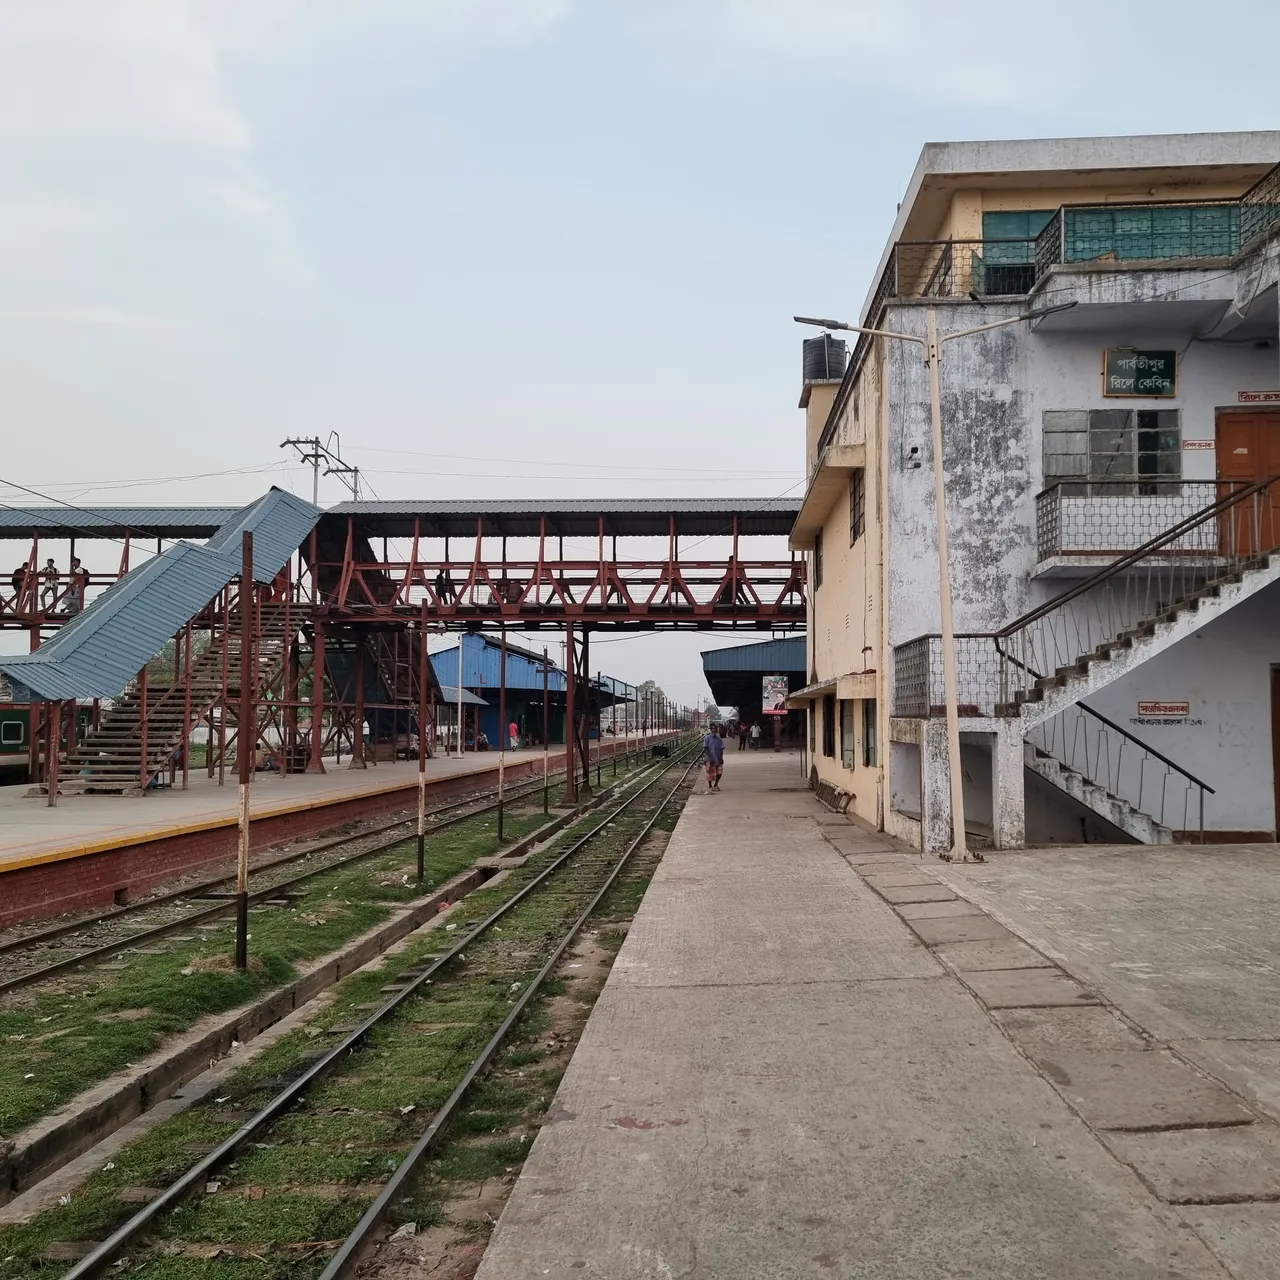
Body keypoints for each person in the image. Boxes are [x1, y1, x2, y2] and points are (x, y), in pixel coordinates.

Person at [702, 722, 725, 792]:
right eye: (712, 728)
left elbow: (721, 748)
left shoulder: (719, 738)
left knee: (719, 772)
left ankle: (716, 784)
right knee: (710, 773)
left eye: (715, 728)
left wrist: (721, 758)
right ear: (711, 729)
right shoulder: (707, 738)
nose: (714, 730)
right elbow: (706, 748)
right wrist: (709, 758)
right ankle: (710, 785)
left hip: (718, 758)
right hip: (710, 758)